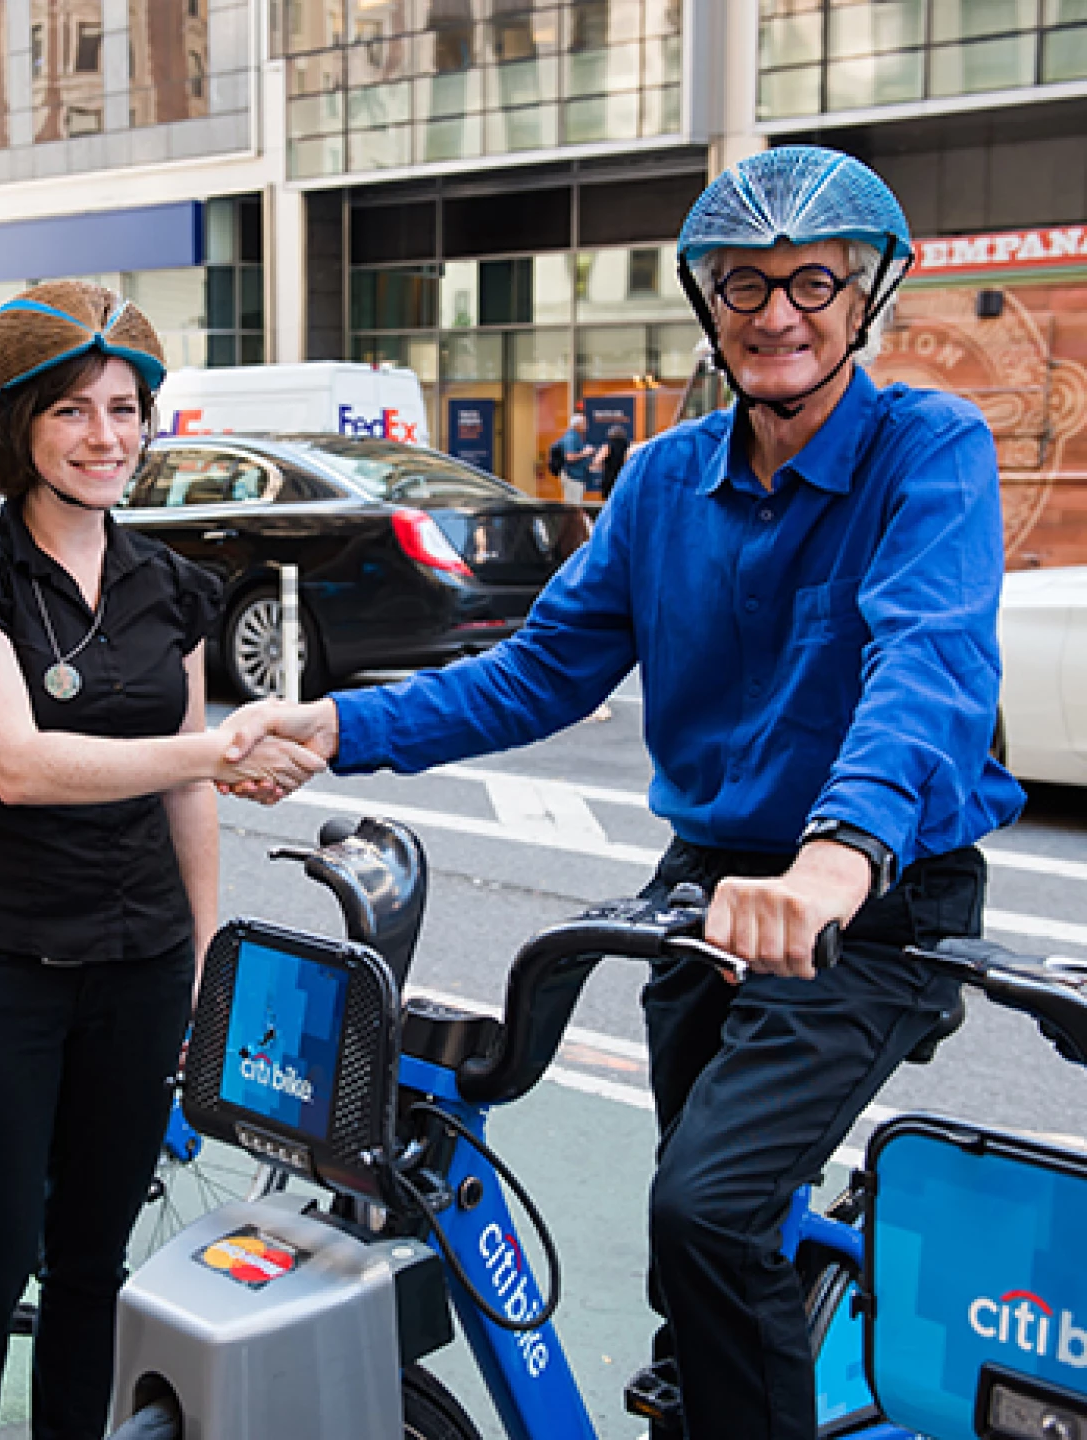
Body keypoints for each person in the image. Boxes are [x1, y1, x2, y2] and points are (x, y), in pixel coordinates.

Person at [219, 147, 1025, 1439]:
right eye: (744, 283)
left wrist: (833, 862)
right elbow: (536, 675)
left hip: (869, 900)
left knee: (706, 1207)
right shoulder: (660, 481)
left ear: (868, 295)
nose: (778, 313)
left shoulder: (926, 449)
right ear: (707, 304)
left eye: (815, 281)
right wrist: (332, 725)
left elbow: (923, 663)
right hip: (703, 898)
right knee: (692, 1237)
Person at [0, 280, 322, 1440]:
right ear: (18, 428)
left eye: (126, 410)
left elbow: (192, 796)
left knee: (94, 1266)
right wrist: (210, 745)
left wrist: (194, 964)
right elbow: (18, 765)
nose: (107, 438)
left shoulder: (171, 590)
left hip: (138, 962)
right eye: (74, 412)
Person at [557, 406, 592, 504]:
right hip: (572, 477)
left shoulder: (577, 437)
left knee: (576, 506)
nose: (586, 425)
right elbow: (570, 457)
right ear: (577, 425)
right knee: (572, 507)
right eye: (584, 423)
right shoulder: (571, 437)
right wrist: (585, 453)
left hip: (578, 477)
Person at [592, 422, 631, 502]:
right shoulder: (629, 446)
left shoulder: (607, 446)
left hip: (610, 479)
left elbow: (597, 461)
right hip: (624, 478)